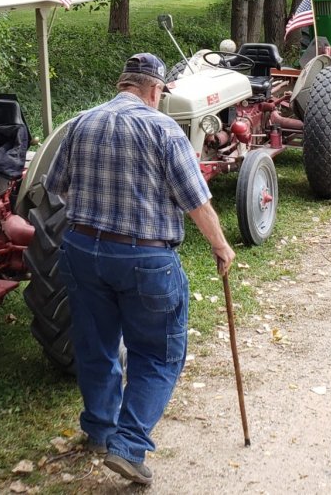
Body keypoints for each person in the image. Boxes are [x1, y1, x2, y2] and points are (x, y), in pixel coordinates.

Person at [48, 52, 235, 486]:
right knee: (157, 352)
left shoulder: (80, 123)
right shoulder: (164, 129)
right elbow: (195, 200)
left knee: (95, 344)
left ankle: (99, 429)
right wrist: (221, 246)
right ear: (155, 91)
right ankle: (129, 447)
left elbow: (55, 185)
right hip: (144, 259)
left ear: (122, 85)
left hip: (81, 250)